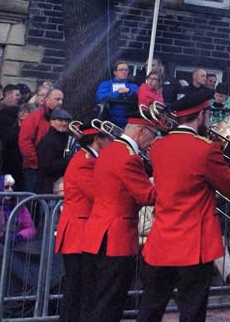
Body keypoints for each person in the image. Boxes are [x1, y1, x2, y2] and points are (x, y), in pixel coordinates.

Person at [137, 89, 230, 322]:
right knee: (192, 310)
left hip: (162, 239)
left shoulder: (159, 147)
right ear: (201, 115)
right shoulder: (206, 148)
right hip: (194, 243)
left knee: (151, 305)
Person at [82, 113, 158, 322]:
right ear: (142, 131)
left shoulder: (109, 151)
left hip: (99, 231)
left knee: (100, 296)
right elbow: (147, 195)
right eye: (152, 135)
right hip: (116, 235)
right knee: (111, 299)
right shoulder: (128, 157)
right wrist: (170, 180)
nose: (152, 141)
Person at [55, 123, 113, 322]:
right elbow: (96, 194)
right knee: (77, 287)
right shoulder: (84, 161)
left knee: (83, 286)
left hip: (83, 231)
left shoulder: (89, 159)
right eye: (108, 138)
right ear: (98, 139)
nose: (111, 143)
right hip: (78, 232)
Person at [18, 87, 64, 192]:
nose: (60, 102)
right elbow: (25, 142)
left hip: (51, 168)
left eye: (62, 99)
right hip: (35, 168)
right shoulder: (34, 118)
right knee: (33, 202)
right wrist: (37, 162)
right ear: (47, 100)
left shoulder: (59, 118)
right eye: (57, 99)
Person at [35, 108, 74, 194]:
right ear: (52, 122)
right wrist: (69, 161)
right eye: (60, 120)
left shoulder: (69, 138)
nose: (64, 123)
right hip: (49, 186)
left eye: (66, 121)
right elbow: (47, 166)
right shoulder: (47, 141)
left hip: (64, 185)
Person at [94, 60, 139, 128]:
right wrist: (117, 93)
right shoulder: (106, 84)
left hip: (128, 123)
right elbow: (99, 98)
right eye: (121, 69)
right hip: (108, 122)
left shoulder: (133, 86)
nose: (124, 72)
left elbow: (138, 95)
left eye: (126, 70)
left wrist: (129, 91)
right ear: (115, 72)